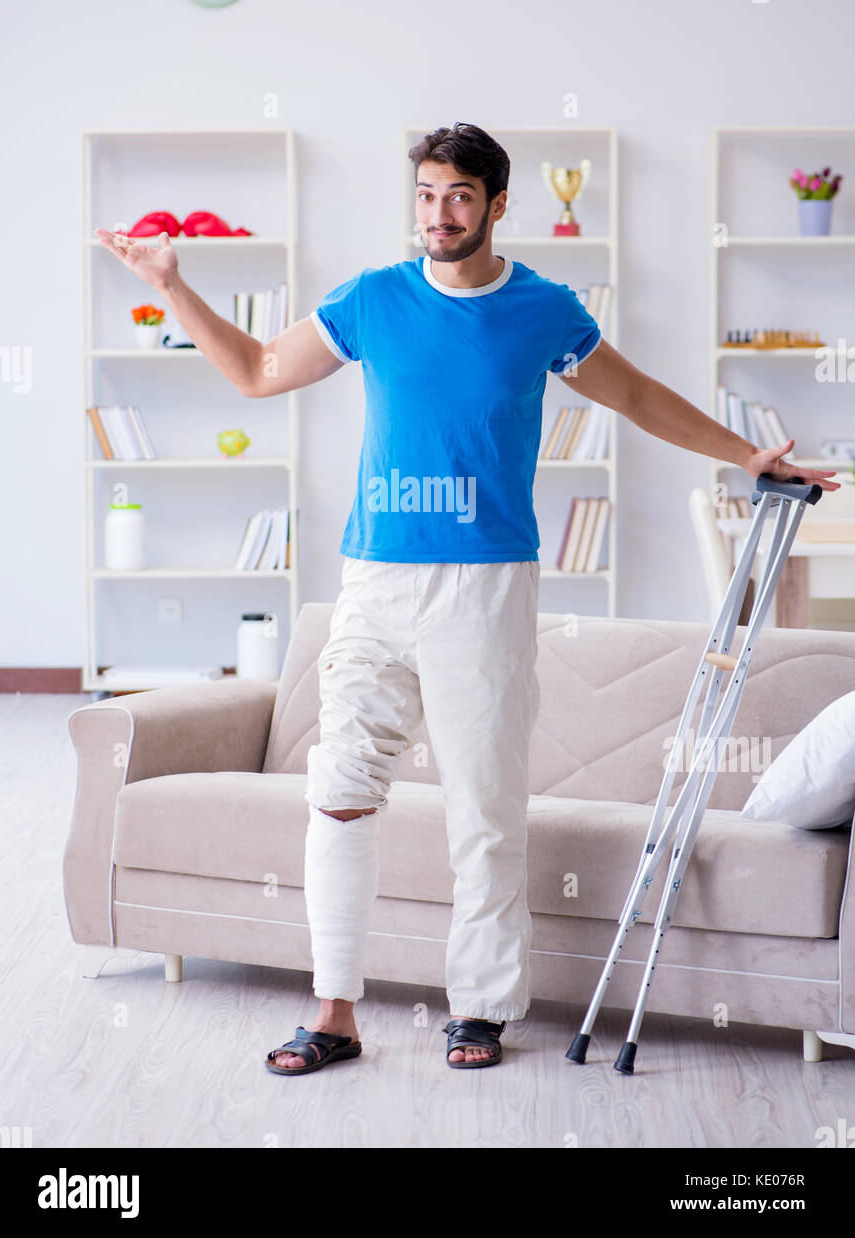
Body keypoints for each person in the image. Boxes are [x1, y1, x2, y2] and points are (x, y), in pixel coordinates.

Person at [95, 122, 838, 1073]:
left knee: (483, 810)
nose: (438, 214)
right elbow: (254, 373)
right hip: (373, 581)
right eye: (425, 195)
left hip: (485, 587)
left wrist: (747, 456)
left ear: (496, 205)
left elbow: (638, 398)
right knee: (339, 794)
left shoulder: (542, 308)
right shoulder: (371, 300)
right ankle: (334, 1012)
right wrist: (170, 284)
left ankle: (480, 1010)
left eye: (457, 196)